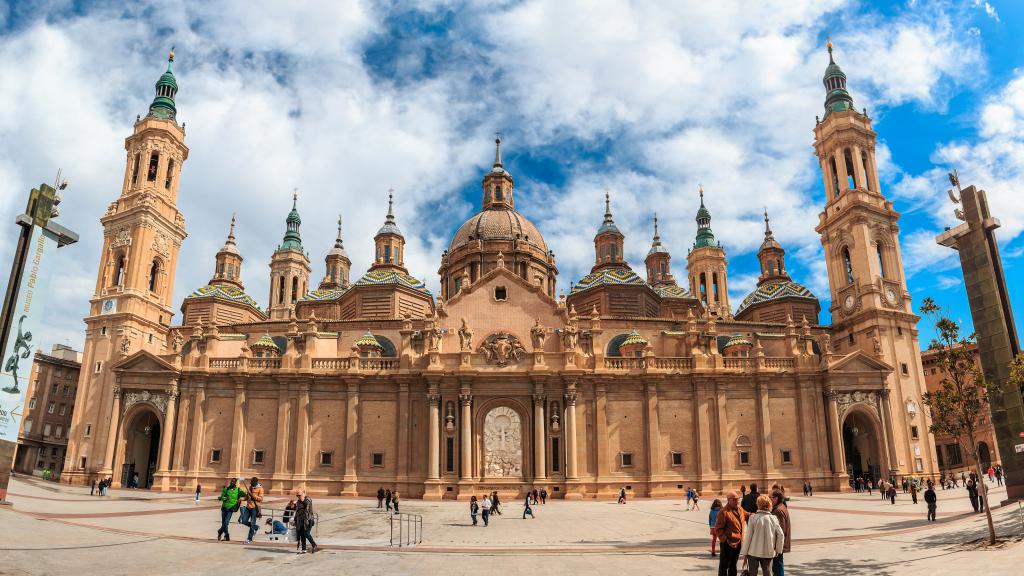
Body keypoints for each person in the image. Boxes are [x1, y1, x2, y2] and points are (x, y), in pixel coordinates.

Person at [740, 495, 785, 576]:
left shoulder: (753, 518)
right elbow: (781, 535)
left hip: (753, 552)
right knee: (767, 573)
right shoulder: (773, 518)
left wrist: (745, 553)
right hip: (768, 552)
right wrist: (778, 550)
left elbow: (748, 537)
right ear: (769, 505)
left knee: (752, 573)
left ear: (758, 505)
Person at [715, 491, 748, 576]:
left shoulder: (740, 509)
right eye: (734, 500)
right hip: (727, 543)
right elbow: (718, 529)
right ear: (729, 500)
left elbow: (748, 515)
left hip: (738, 542)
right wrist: (725, 540)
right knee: (723, 566)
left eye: (738, 499)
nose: (737, 501)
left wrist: (760, 514)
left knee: (733, 565)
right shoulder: (724, 512)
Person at [771, 489, 791, 576]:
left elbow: (780, 530)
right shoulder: (781, 506)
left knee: (777, 566)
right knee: (778, 565)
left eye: (770, 497)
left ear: (776, 498)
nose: (769, 499)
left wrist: (776, 546)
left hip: (778, 544)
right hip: (780, 543)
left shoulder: (778, 510)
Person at [294, 489, 318, 554]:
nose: (298, 497)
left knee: (307, 533)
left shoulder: (308, 499)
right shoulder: (298, 502)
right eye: (297, 495)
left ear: (304, 493)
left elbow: (307, 507)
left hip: (308, 520)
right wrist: (295, 519)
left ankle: (314, 545)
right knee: (302, 534)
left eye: (299, 495)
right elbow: (297, 511)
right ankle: (304, 549)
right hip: (301, 520)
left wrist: (303, 500)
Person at [243, 476, 264, 544]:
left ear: (256, 482)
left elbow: (261, 499)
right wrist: (241, 499)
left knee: (252, 523)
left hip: (254, 508)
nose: (250, 483)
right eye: (250, 482)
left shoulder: (260, 489)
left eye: (252, 482)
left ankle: (249, 539)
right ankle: (256, 527)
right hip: (248, 507)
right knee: (244, 521)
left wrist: (253, 495)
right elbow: (247, 497)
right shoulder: (250, 487)